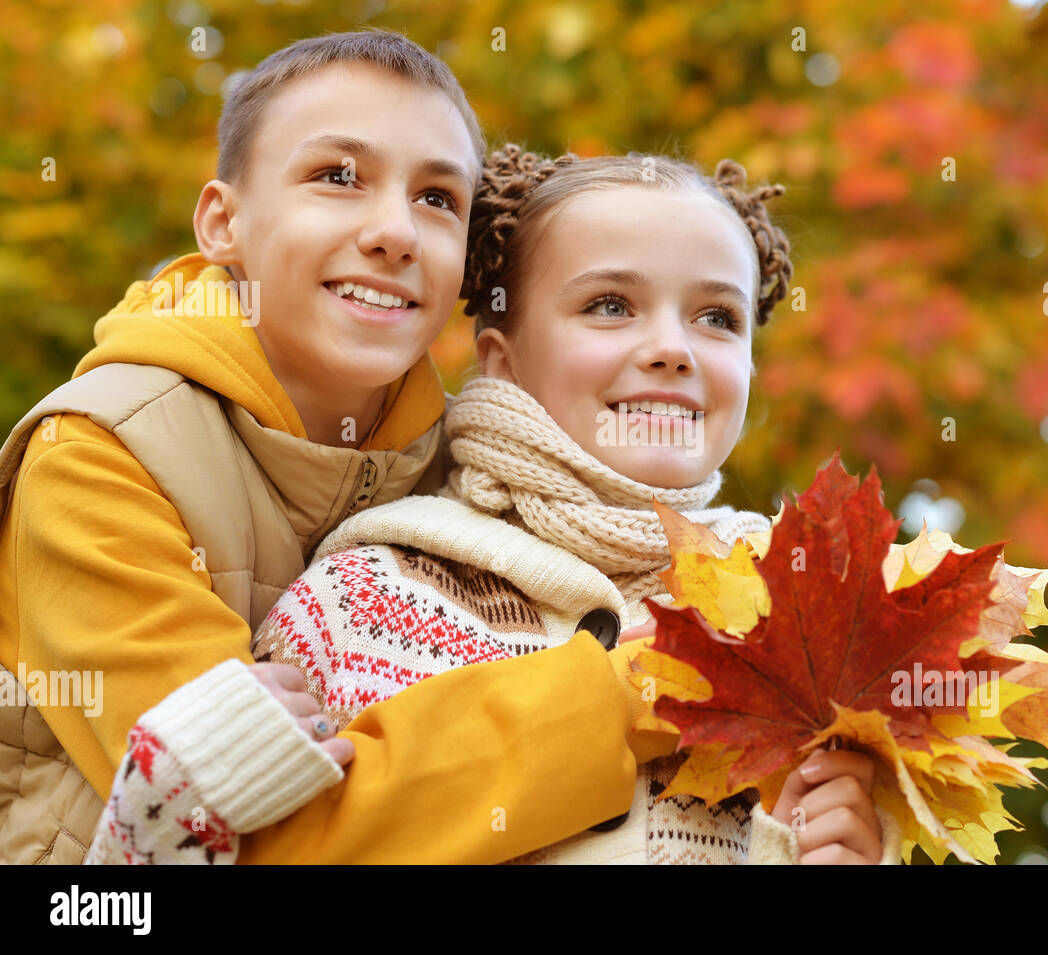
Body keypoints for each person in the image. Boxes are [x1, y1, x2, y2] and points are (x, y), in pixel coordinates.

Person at [86, 145, 904, 865]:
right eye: (610, 305)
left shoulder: (814, 620)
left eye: (717, 317)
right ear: (502, 361)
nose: (672, 348)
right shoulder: (370, 599)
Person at [0, 28, 488, 863]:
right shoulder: (96, 456)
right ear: (223, 223)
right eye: (338, 177)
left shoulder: (474, 473)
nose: (397, 231)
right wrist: (617, 704)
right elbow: (259, 826)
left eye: (439, 198)